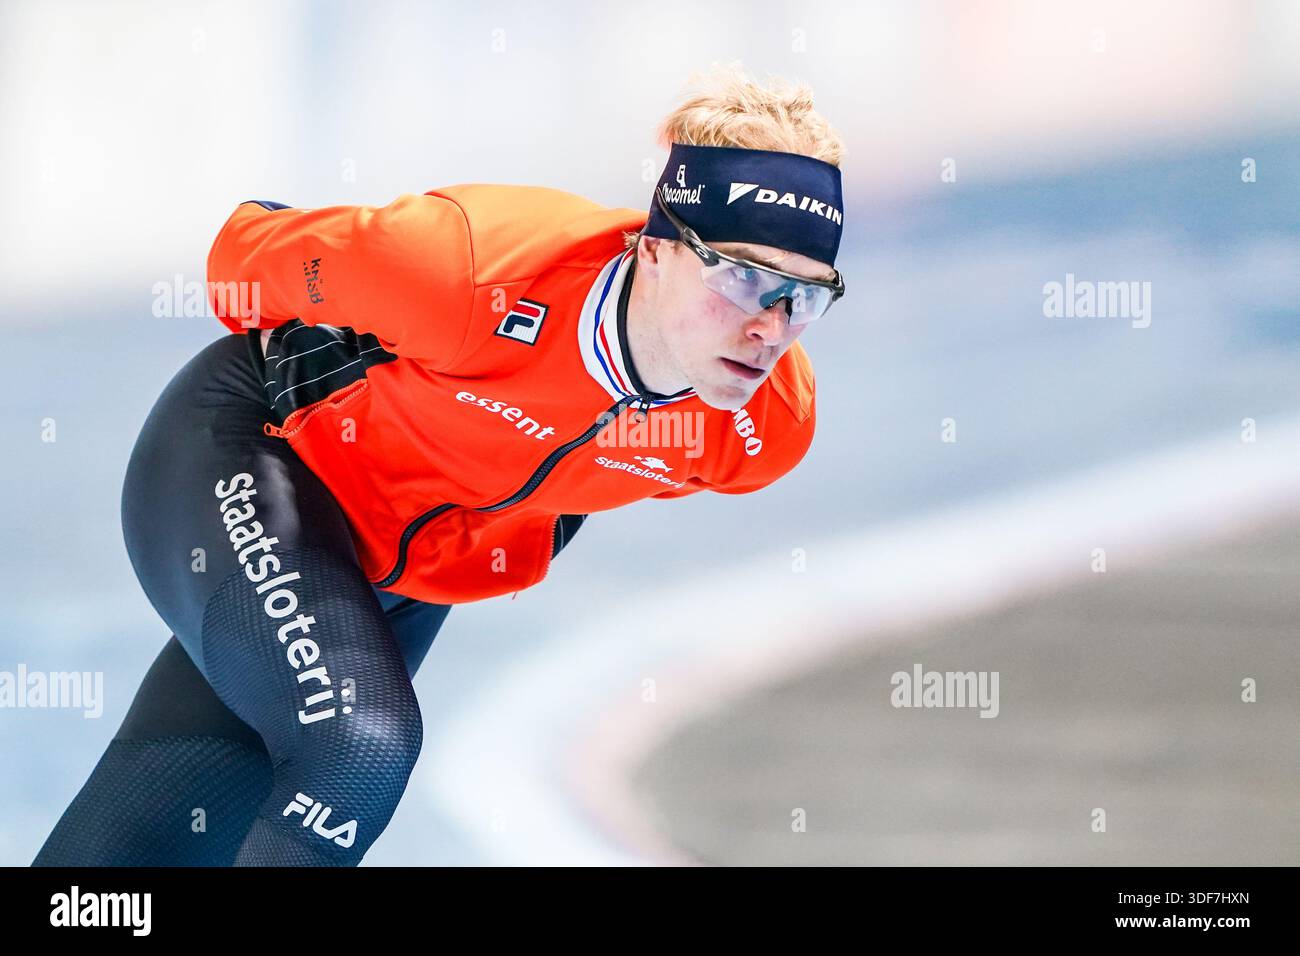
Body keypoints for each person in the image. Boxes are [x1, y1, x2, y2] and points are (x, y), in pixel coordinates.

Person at [32, 63, 847, 866]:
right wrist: (348, 328)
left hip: (409, 561)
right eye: (744, 276)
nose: (771, 327)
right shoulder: (464, 270)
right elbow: (240, 260)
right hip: (253, 453)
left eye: (805, 295)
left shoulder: (760, 430)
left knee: (170, 821)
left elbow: (568, 451)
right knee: (358, 744)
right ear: (659, 246)